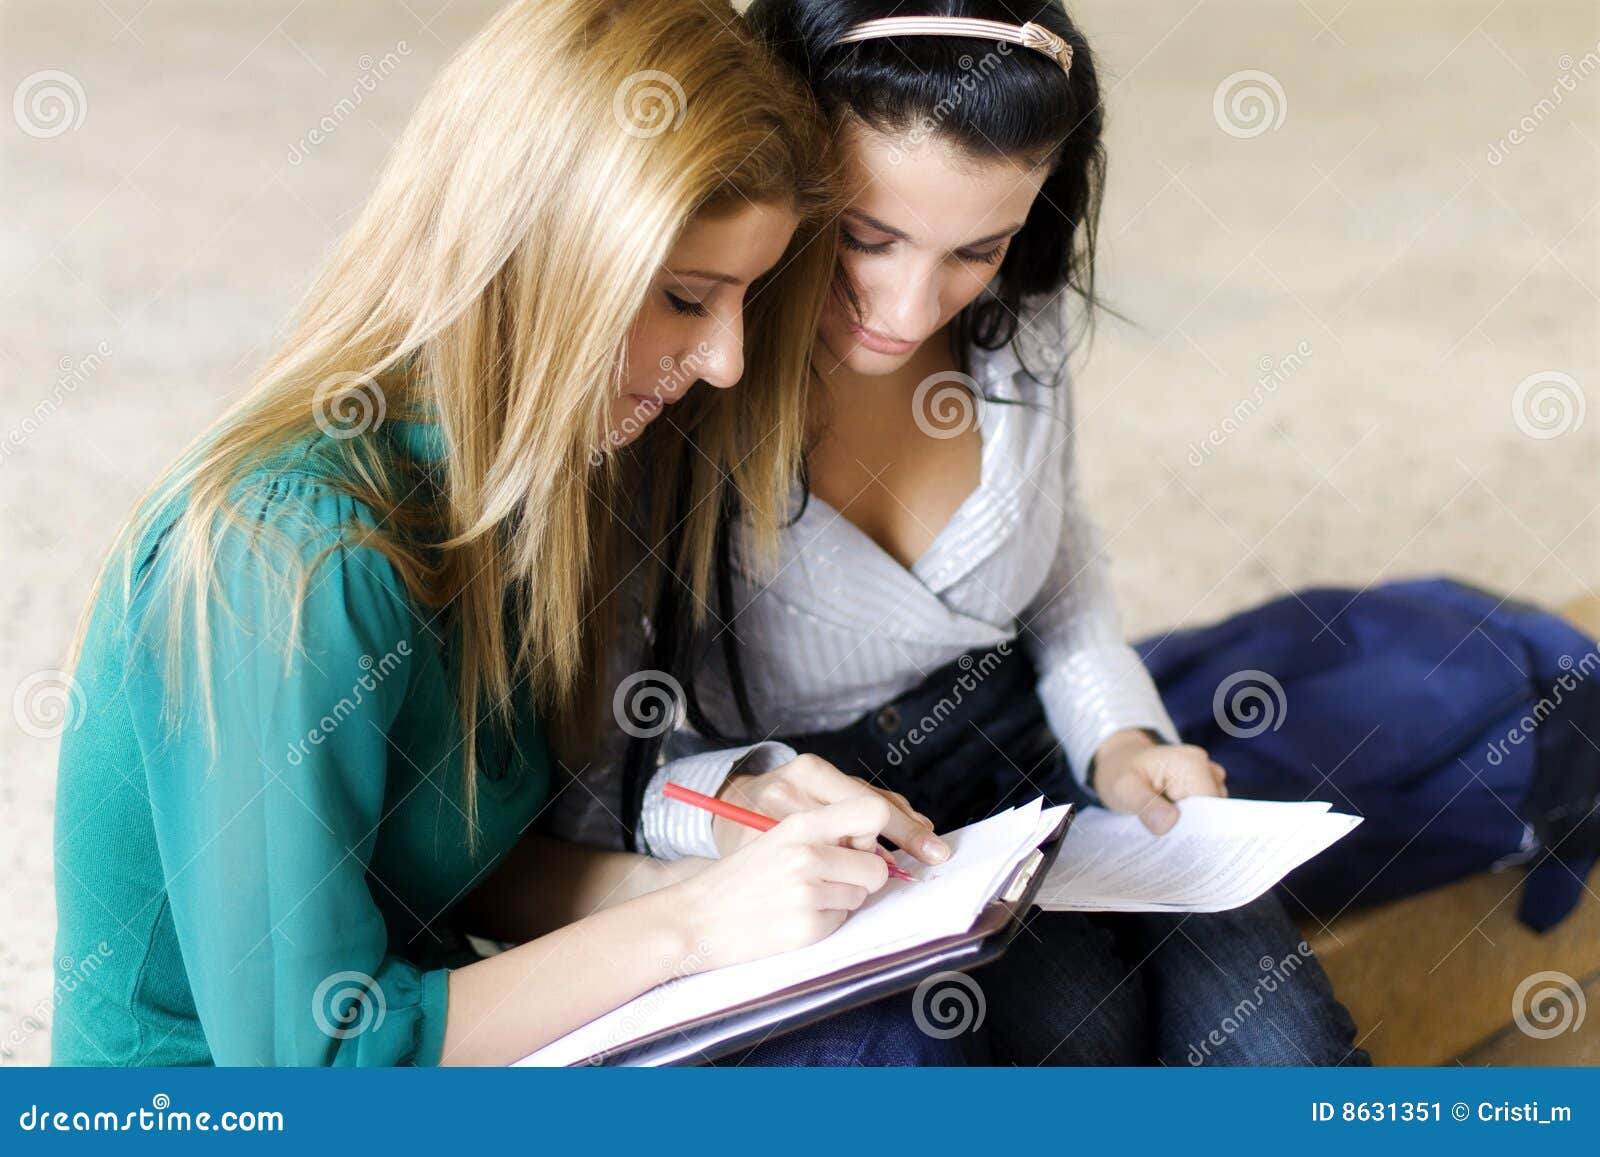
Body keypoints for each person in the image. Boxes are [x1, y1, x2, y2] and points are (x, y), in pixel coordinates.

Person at [51, 0, 958, 1068]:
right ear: (535, 263)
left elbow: (446, 861)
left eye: (744, 302)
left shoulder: (535, 483)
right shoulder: (298, 554)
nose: (723, 362)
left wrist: (727, 872)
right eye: (682, 298)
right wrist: (688, 928)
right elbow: (315, 1059)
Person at [621, 0, 1369, 1067]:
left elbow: (1061, 574)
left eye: (977, 247)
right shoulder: (678, 376)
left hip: (1027, 743)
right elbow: (599, 776)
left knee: (1285, 1050)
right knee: (1079, 1033)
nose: (908, 304)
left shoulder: (1015, 322)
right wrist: (740, 796)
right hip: (836, 818)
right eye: (865, 237)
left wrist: (1123, 736)